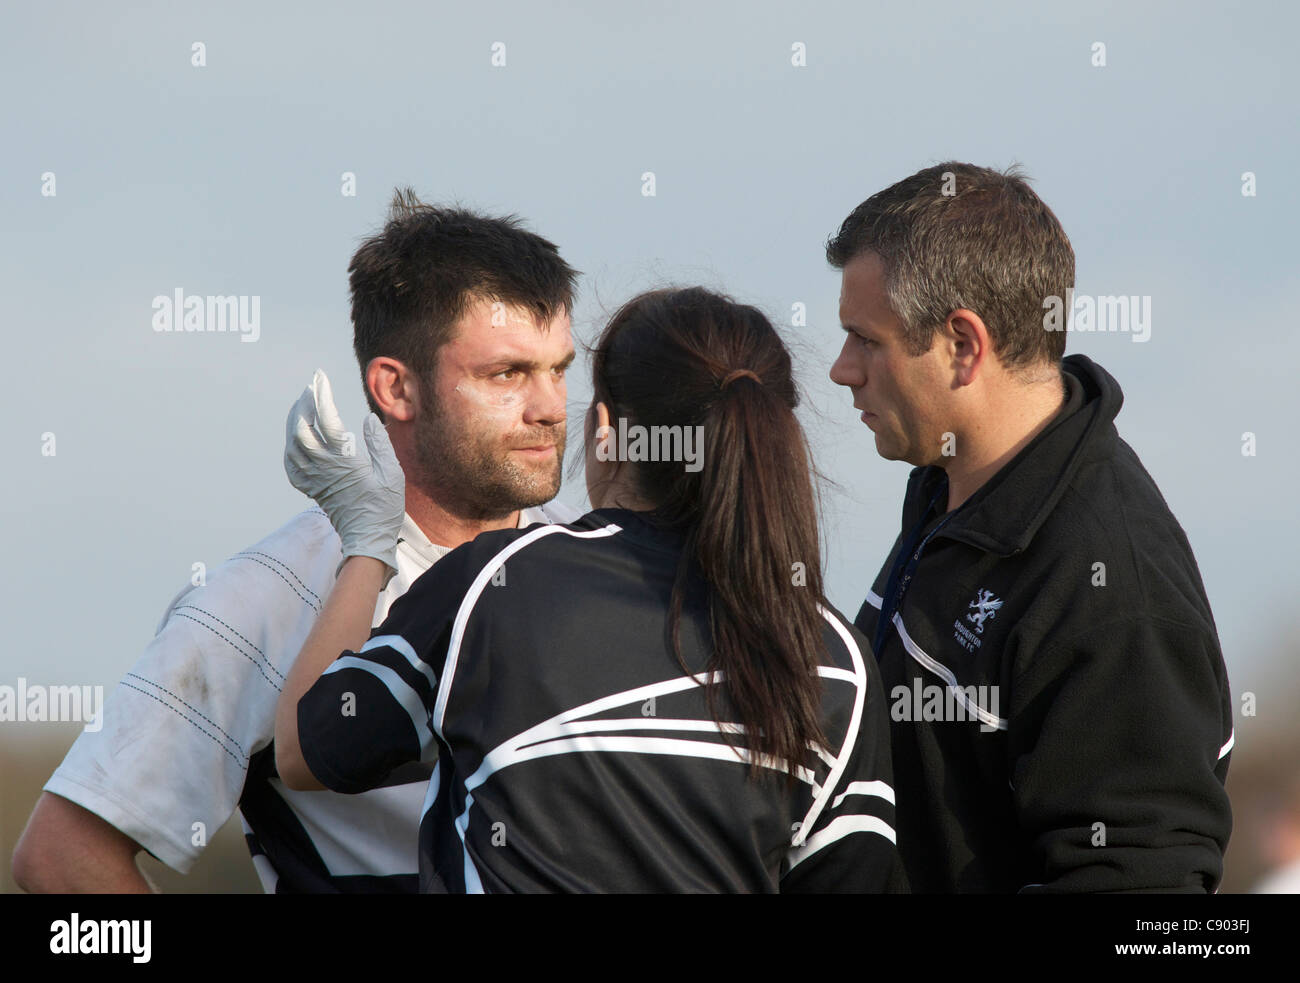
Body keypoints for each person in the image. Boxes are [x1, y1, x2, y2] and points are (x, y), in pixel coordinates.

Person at [12, 191, 580, 893]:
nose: (551, 407)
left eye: (559, 369)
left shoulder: (593, 573)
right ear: (396, 388)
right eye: (507, 373)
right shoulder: (260, 599)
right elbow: (61, 856)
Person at [273, 287, 908, 892]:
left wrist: (367, 542)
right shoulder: (836, 661)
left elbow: (304, 752)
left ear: (606, 430)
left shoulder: (495, 581)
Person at [826, 162, 1234, 893]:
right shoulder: (949, 490)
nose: (841, 369)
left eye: (867, 341)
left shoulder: (1108, 584)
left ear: (963, 346)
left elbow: (1146, 894)